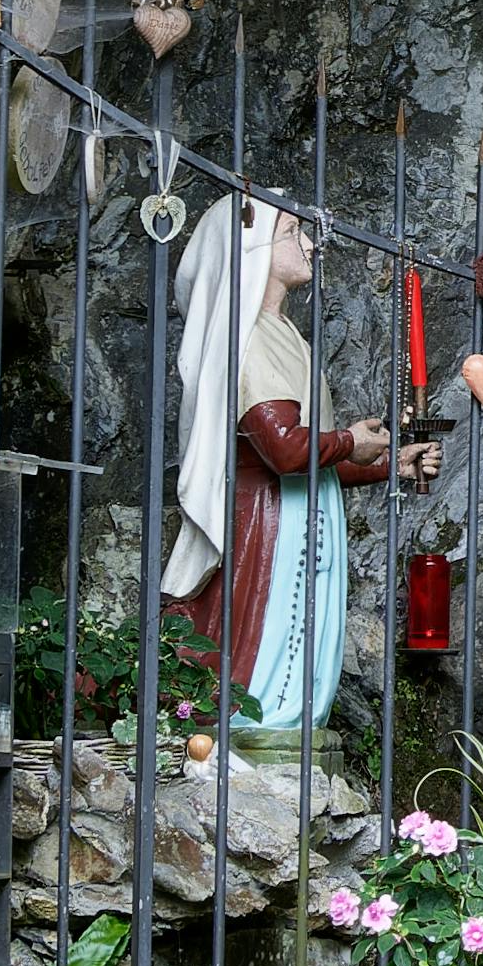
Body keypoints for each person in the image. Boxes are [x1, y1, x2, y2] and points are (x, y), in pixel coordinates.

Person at [160, 199, 402, 732]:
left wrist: (390, 464)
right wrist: (347, 440)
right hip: (267, 521)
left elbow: (317, 461)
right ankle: (256, 731)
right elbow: (287, 451)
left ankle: (283, 728)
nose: (310, 244)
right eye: (294, 232)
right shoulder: (246, 337)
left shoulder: (285, 335)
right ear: (253, 248)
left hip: (297, 514)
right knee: (270, 645)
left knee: (302, 639)